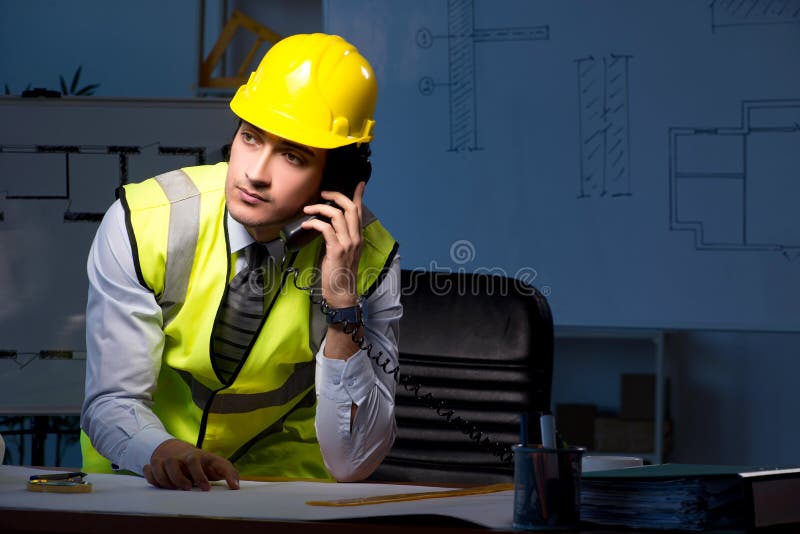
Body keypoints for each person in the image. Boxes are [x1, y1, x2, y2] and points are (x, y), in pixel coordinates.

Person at [80, 33, 400, 490]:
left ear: (338, 179)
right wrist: (161, 450)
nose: (255, 173)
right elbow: (111, 401)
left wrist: (342, 305)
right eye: (250, 137)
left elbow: (353, 461)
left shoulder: (373, 258)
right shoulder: (145, 221)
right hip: (142, 473)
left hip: (277, 490)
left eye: (292, 156)